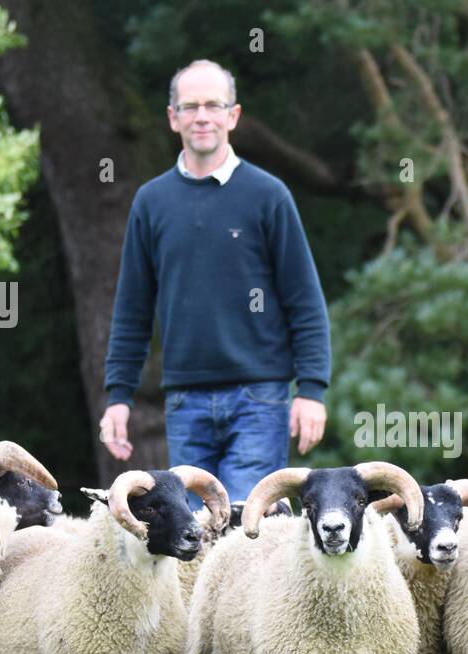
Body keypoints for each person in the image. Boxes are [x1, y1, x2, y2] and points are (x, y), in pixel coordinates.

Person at [99, 59, 330, 504]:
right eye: (190, 107)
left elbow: (304, 301)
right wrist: (118, 396)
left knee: (244, 526)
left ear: (233, 115)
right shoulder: (151, 202)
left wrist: (312, 390)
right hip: (185, 399)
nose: (201, 116)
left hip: (260, 398)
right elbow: (132, 309)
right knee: (191, 533)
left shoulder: (268, 196)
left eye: (212, 105)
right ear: (173, 118)